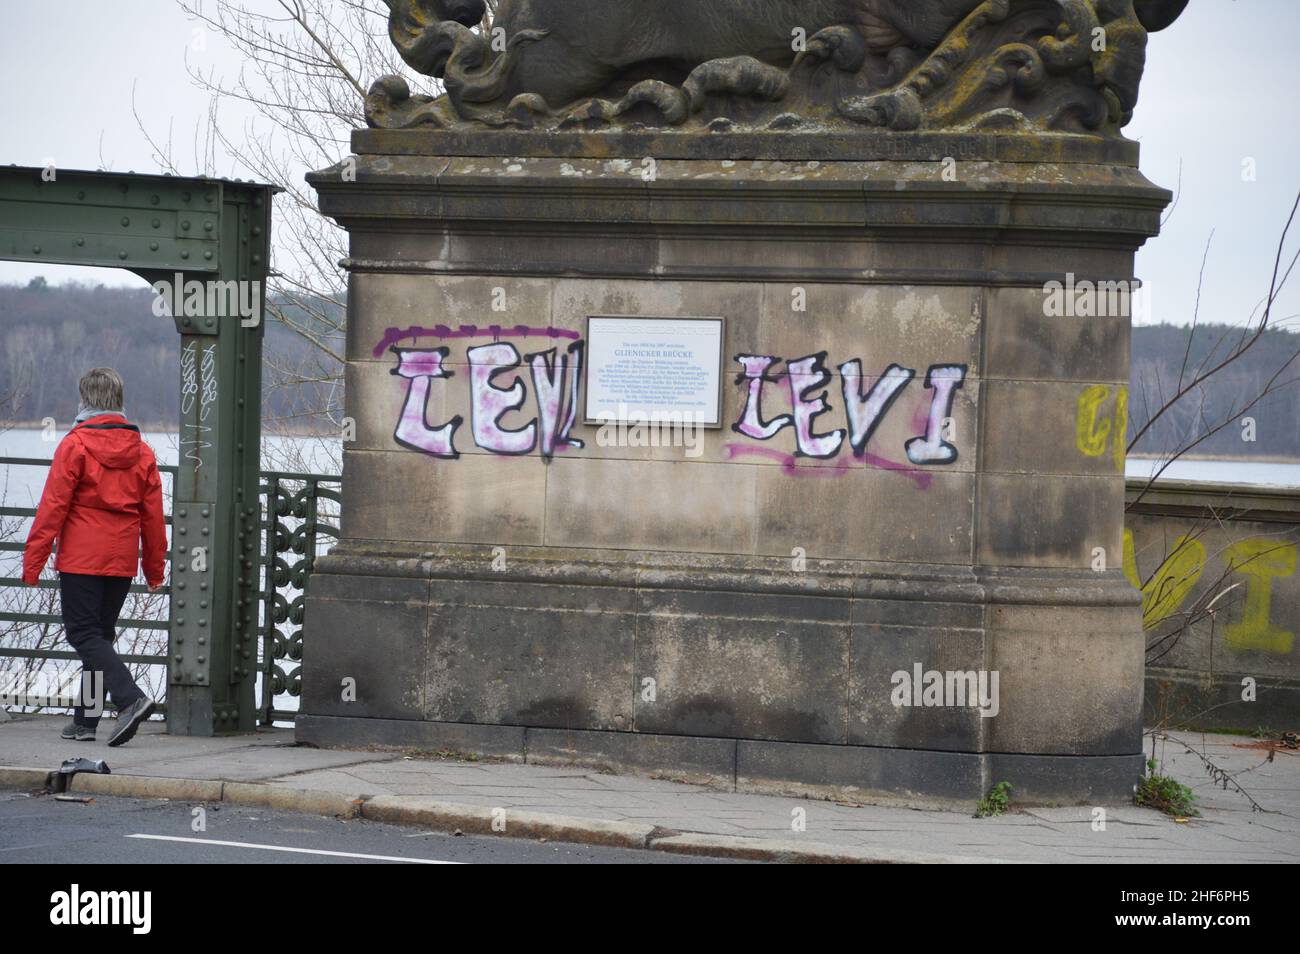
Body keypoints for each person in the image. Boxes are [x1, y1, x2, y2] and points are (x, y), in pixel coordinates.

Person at [22, 368, 167, 746]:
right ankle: (86, 722)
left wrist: (33, 561)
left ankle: (130, 699)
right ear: (119, 401)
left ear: (84, 400)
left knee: (84, 634)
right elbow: (153, 516)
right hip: (121, 558)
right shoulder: (143, 451)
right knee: (99, 635)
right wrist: (154, 569)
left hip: (82, 557)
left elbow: (53, 507)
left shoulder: (75, 445)